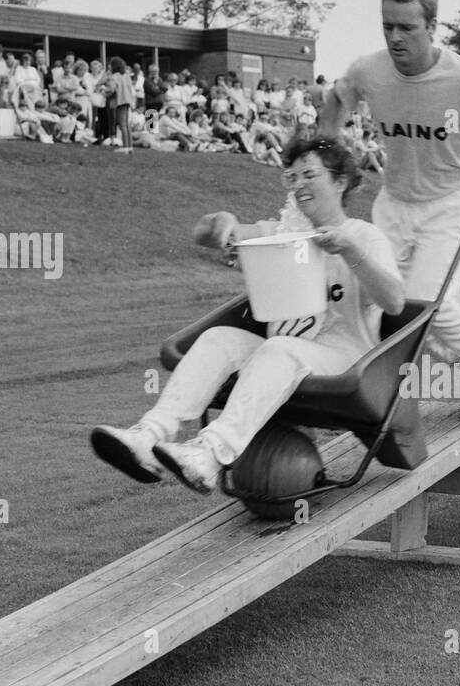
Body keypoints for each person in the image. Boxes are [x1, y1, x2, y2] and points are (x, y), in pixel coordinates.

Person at [91, 136, 405, 493]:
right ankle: (148, 437)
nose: (299, 184)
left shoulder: (364, 235)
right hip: (286, 351)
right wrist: (223, 224)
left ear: (339, 181)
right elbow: (206, 233)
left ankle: (211, 454)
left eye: (309, 175)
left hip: (348, 359)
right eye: (293, 176)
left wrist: (350, 251)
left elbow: (394, 302)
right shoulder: (280, 232)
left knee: (279, 349)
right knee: (219, 339)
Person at [316, 0, 460, 419]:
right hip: (394, 203)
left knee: (425, 302)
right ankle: (412, 384)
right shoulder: (370, 70)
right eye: (387, 26)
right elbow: (341, 96)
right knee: (376, 301)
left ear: (432, 26)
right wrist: (325, 138)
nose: (395, 37)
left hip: (450, 203)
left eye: (406, 28)